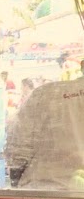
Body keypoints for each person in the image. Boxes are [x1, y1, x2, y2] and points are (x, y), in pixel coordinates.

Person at [6, 61, 84, 190]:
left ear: (82, 65)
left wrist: (15, 186)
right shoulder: (47, 93)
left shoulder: (47, 93)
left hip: (42, 193)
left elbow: (18, 147)